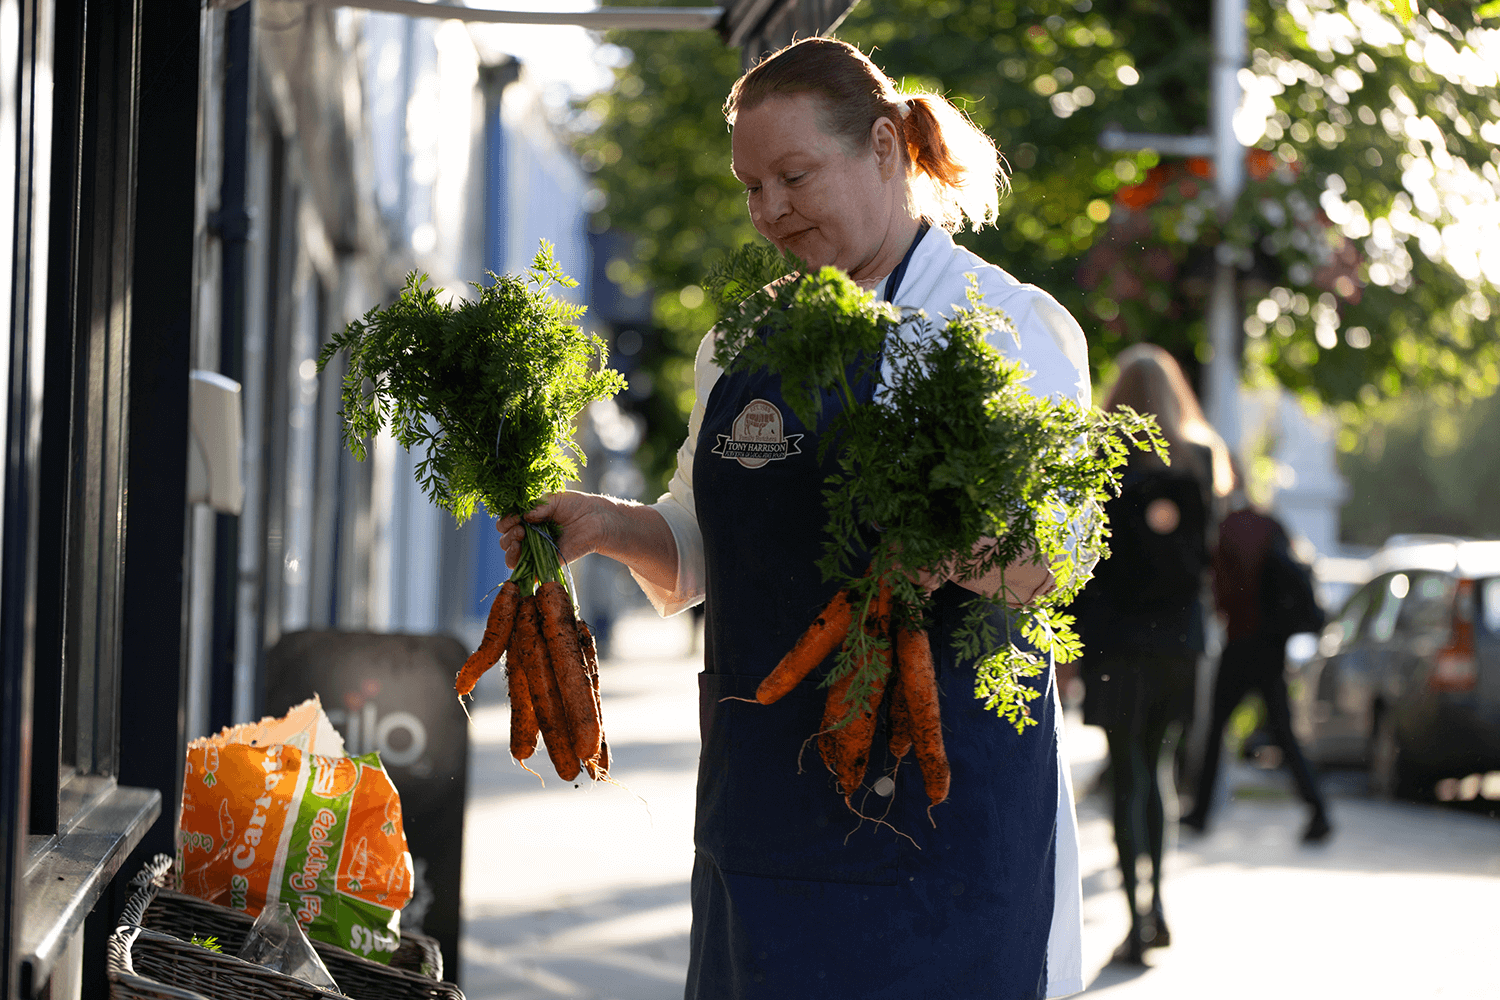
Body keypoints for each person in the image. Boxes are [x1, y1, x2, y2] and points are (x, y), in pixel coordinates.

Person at [498, 38, 1093, 1000]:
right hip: (769, 806)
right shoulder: (740, 341)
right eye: (751, 186)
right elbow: (699, 548)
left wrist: (956, 553)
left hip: (945, 817)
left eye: (794, 175)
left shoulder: (1005, 322)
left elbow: (1055, 557)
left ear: (888, 147)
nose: (770, 209)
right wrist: (605, 524)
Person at [1071, 343, 1230, 965]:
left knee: (1128, 771)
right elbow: (1207, 559)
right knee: (1160, 769)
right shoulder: (1202, 458)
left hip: (1115, 639)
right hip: (1179, 640)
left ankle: (1136, 914)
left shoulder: (1100, 453)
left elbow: (1084, 561)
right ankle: (1159, 906)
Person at [1180, 473, 1333, 842]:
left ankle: (1201, 813)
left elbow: (1222, 595)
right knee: (1283, 732)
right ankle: (1317, 811)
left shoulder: (1228, 528)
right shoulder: (1271, 525)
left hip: (1242, 641)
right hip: (1271, 646)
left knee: (1218, 727)